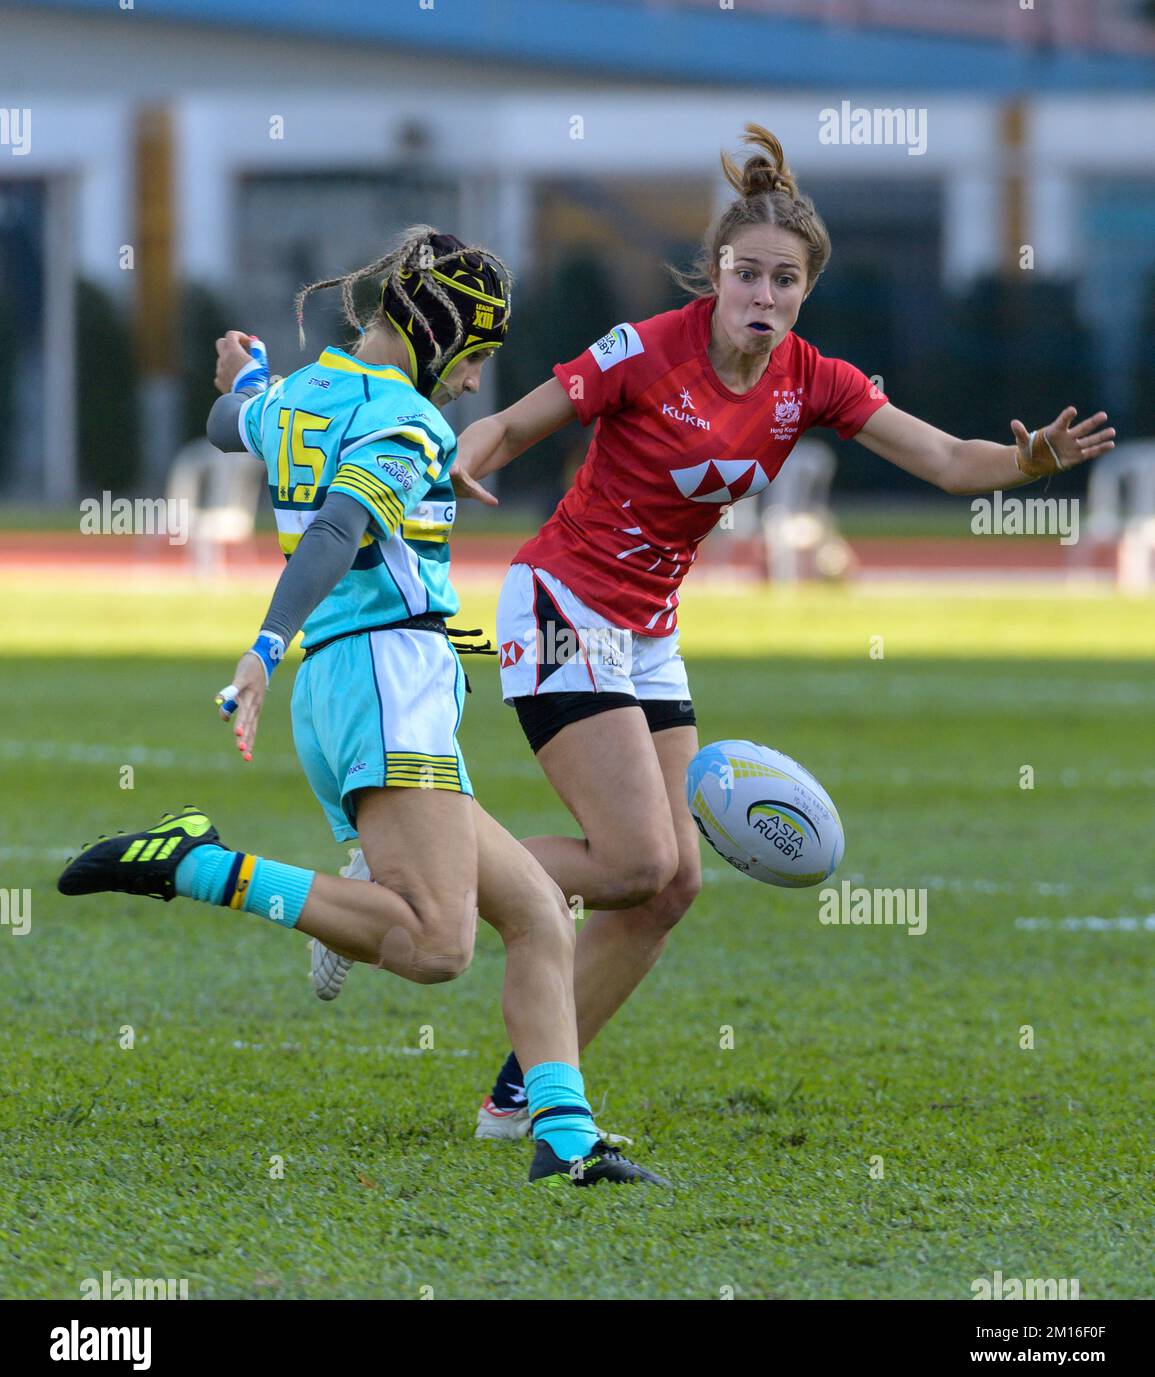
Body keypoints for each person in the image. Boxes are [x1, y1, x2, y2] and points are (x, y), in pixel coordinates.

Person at [316, 128, 1116, 1142]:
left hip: (647, 631)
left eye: (785, 280)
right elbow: (511, 425)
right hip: (562, 605)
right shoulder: (646, 350)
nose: (764, 295)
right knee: (637, 859)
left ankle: (519, 1095)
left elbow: (953, 460)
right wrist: (463, 453)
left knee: (671, 887)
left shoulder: (811, 380)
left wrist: (1032, 462)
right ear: (719, 275)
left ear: (802, 292)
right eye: (748, 273)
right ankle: (405, 877)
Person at [56, 226, 667, 1188]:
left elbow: (232, 425)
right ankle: (200, 865)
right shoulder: (405, 421)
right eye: (471, 361)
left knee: (542, 913)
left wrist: (244, 376)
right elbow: (340, 527)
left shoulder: (303, 393)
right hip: (386, 678)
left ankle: (564, 1135)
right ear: (435, 343)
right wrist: (264, 645)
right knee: (434, 945)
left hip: (353, 688)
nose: (471, 388)